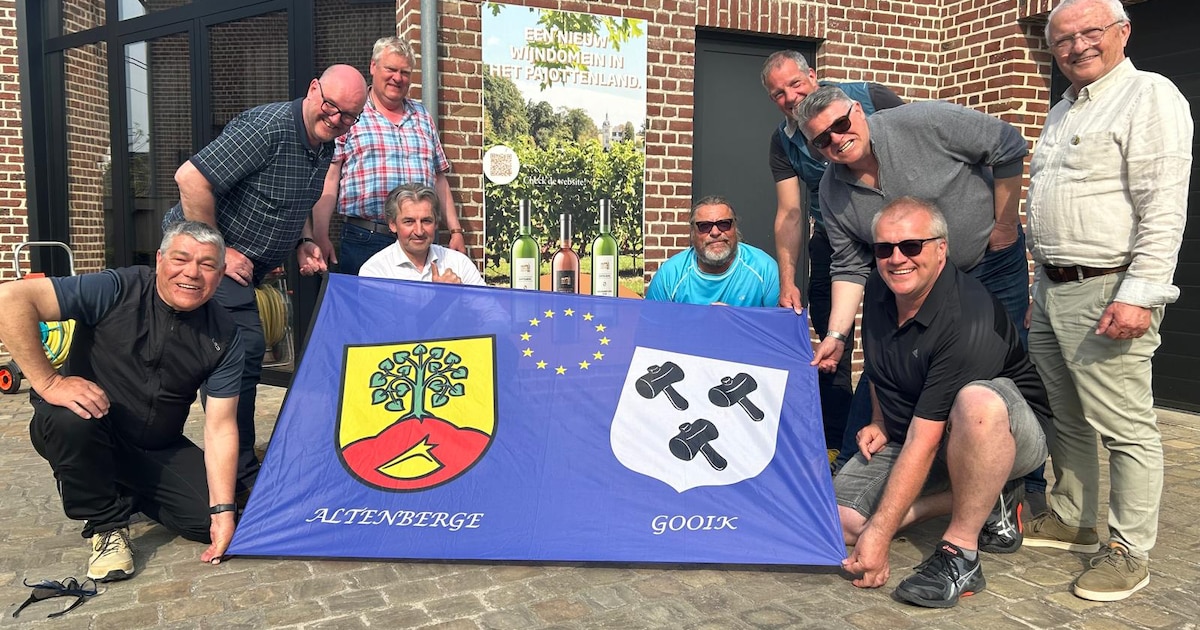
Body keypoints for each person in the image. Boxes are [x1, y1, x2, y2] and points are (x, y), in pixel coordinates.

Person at [795, 85, 1048, 528]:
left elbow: (1008, 143)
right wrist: (836, 335)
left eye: (841, 123)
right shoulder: (833, 192)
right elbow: (849, 266)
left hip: (987, 263)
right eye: (821, 138)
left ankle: (1023, 490)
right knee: (887, 368)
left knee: (1003, 374)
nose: (836, 138)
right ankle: (867, 468)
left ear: (858, 110)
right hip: (913, 280)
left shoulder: (922, 123)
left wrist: (1005, 226)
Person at [1023, 0, 1193, 602]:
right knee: (1068, 414)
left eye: (1090, 32)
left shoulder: (1149, 96)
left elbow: (1163, 206)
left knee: (1125, 427)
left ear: (1123, 31)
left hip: (1108, 288)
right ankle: (1074, 516)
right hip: (1052, 288)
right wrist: (1037, 288)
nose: (1076, 46)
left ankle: (1129, 550)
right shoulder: (1064, 109)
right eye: (1063, 39)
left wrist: (1140, 294)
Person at [163, 64, 367, 500]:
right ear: (313, 89)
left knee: (230, 354)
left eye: (349, 116)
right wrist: (217, 251)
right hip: (200, 261)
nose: (336, 120)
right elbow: (190, 179)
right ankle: (239, 476)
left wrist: (305, 241)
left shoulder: (324, 147)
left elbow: (292, 205)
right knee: (243, 348)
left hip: (245, 268)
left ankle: (230, 462)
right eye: (331, 107)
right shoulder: (268, 127)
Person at [0, 222, 243, 582]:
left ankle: (109, 484)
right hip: (89, 428)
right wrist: (50, 381)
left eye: (207, 265)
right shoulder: (116, 288)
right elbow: (11, 299)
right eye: (181, 258)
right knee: (69, 419)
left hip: (157, 446)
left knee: (207, 519)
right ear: (160, 260)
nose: (192, 272)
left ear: (221, 274)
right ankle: (105, 525)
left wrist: (223, 511)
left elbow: (221, 427)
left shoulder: (225, 333)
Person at [837, 198, 1050, 608]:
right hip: (919, 431)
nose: (897, 258)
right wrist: (880, 421)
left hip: (1004, 431)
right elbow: (881, 366)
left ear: (941, 249)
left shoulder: (967, 318)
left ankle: (961, 554)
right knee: (843, 523)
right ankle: (990, 493)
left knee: (978, 403)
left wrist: (882, 532)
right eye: (885, 248)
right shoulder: (883, 287)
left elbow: (925, 439)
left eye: (912, 246)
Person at [761, 50, 903, 456]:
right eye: (778, 94)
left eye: (795, 83)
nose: (789, 97)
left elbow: (917, 148)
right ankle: (835, 447)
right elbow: (789, 213)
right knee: (830, 344)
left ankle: (890, 435)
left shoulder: (870, 98)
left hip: (891, 239)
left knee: (891, 335)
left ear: (814, 75)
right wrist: (788, 282)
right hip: (833, 239)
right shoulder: (782, 142)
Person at [311, 37, 465, 276]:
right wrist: (320, 235)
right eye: (391, 69)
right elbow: (330, 178)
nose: (397, 77)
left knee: (419, 310)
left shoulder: (422, 116)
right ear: (373, 67)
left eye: (405, 72)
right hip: (366, 239)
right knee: (366, 312)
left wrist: (455, 231)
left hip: (419, 241)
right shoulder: (351, 114)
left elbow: (439, 178)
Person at [646, 196, 779, 307]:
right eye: (704, 226)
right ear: (692, 233)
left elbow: (782, 329)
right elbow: (649, 329)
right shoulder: (670, 275)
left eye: (724, 224)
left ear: (735, 228)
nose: (715, 232)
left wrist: (737, 321)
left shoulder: (764, 268)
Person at [359, 183, 484, 285]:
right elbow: (379, 317)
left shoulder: (459, 263)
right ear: (392, 225)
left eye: (426, 221)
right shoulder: (375, 271)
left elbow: (490, 311)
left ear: (436, 223)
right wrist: (444, 296)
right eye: (409, 221)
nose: (419, 231)